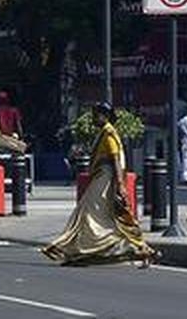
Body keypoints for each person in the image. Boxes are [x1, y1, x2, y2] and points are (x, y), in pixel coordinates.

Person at [43, 102, 158, 267]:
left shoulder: (109, 134)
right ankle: (81, 251)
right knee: (91, 215)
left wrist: (120, 185)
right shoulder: (103, 133)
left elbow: (116, 160)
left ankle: (139, 248)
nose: (94, 118)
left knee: (91, 214)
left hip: (106, 179)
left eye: (96, 114)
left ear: (105, 116)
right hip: (100, 178)